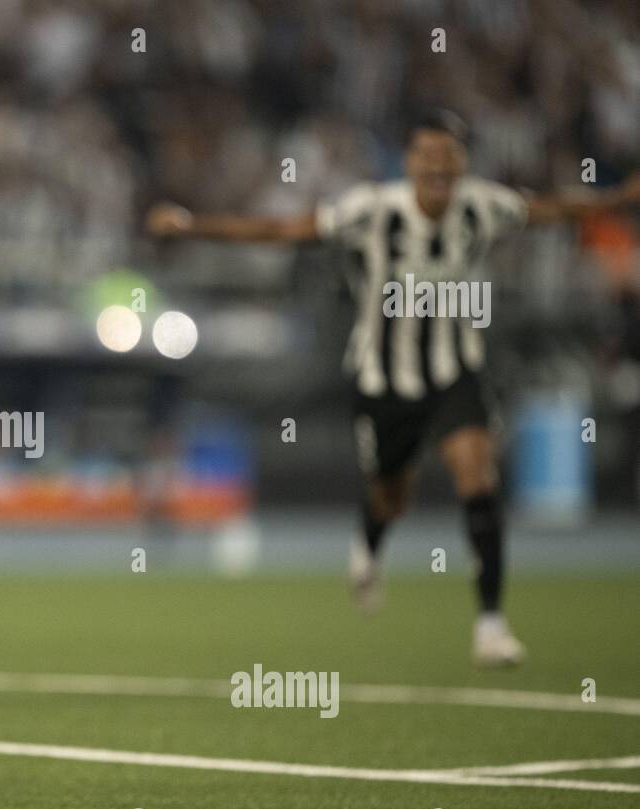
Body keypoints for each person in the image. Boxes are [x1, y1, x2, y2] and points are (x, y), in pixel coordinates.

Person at [148, 109, 640, 667]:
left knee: (477, 476)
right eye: (427, 155)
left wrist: (616, 199)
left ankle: (490, 624)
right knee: (392, 493)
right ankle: (370, 546)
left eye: (448, 157)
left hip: (456, 370)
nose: (438, 167)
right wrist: (192, 226)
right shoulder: (373, 210)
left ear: (461, 164)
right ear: (409, 162)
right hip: (386, 379)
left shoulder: (482, 204)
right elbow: (287, 231)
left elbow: (548, 210)